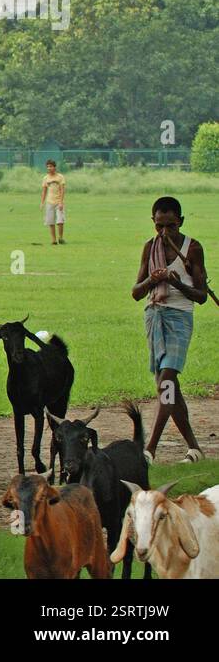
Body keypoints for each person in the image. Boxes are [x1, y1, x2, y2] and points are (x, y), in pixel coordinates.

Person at [131, 196, 207, 464]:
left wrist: (178, 282)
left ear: (181, 222)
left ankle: (149, 449)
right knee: (169, 386)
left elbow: (200, 296)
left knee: (166, 379)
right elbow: (135, 293)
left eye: (171, 226)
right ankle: (195, 449)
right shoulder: (148, 248)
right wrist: (153, 280)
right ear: (153, 222)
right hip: (154, 317)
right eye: (159, 226)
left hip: (179, 318)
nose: (165, 233)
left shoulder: (193, 248)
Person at [40, 159, 66, 245]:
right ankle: (54, 240)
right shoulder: (45, 178)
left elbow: (62, 190)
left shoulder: (60, 177)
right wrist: (42, 202)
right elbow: (44, 191)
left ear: (54, 167)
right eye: (47, 167)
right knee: (50, 222)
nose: (49, 168)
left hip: (58, 202)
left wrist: (61, 202)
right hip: (49, 202)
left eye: (51, 166)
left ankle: (60, 238)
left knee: (60, 221)